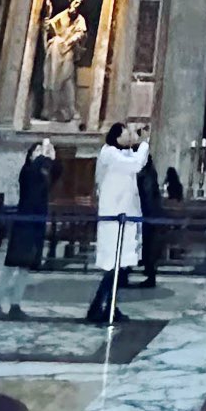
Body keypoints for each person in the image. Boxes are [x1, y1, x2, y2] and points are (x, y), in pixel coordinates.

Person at [87, 122, 149, 324]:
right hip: (114, 218)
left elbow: (133, 158)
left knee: (121, 268)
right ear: (116, 137)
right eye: (126, 134)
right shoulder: (110, 154)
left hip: (124, 216)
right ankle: (98, 307)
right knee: (113, 267)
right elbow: (136, 163)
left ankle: (109, 306)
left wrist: (137, 140)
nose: (129, 137)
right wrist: (145, 143)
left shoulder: (120, 153)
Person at [0, 140, 55, 319]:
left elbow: (56, 173)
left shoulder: (43, 173)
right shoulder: (27, 171)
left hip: (35, 224)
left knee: (25, 268)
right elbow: (36, 172)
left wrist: (52, 158)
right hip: (23, 223)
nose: (43, 154)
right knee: (11, 266)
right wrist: (44, 157)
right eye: (39, 150)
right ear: (31, 154)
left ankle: (15, 304)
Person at [134, 140, 164, 288]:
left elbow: (146, 194)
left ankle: (150, 276)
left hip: (148, 215)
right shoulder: (149, 172)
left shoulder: (145, 174)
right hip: (150, 214)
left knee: (148, 246)